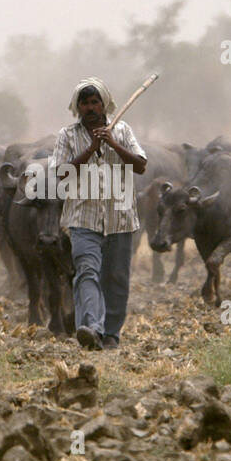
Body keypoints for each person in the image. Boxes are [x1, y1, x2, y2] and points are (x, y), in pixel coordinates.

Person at [48, 78, 147, 350]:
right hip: (83, 219)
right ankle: (91, 329)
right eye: (85, 103)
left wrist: (114, 144)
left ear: (104, 105)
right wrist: (90, 149)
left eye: (95, 102)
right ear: (77, 107)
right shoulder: (67, 136)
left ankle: (112, 334)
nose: (90, 108)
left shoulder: (123, 131)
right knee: (87, 271)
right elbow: (60, 173)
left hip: (120, 218)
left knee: (116, 278)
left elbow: (140, 166)